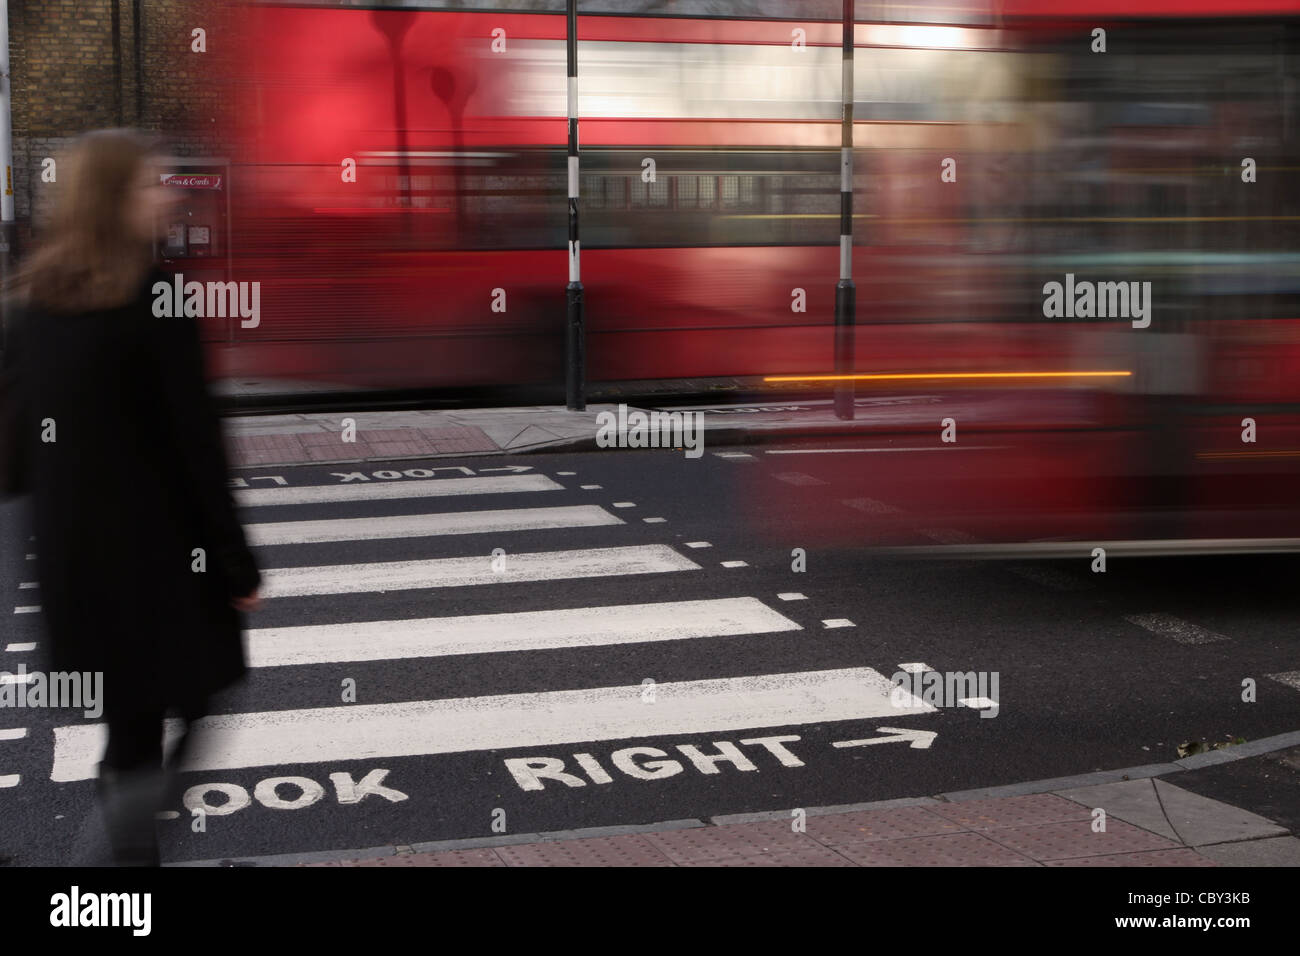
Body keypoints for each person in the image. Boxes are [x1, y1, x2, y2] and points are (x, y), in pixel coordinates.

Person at [0, 129, 261, 866]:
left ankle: (123, 868)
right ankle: (113, 875)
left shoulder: (30, 304)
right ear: (114, 199)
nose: (169, 195)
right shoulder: (155, 298)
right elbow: (198, 448)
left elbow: (16, 462)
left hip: (75, 569)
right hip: (162, 567)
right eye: (153, 184)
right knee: (199, 698)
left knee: (132, 725)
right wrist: (237, 568)